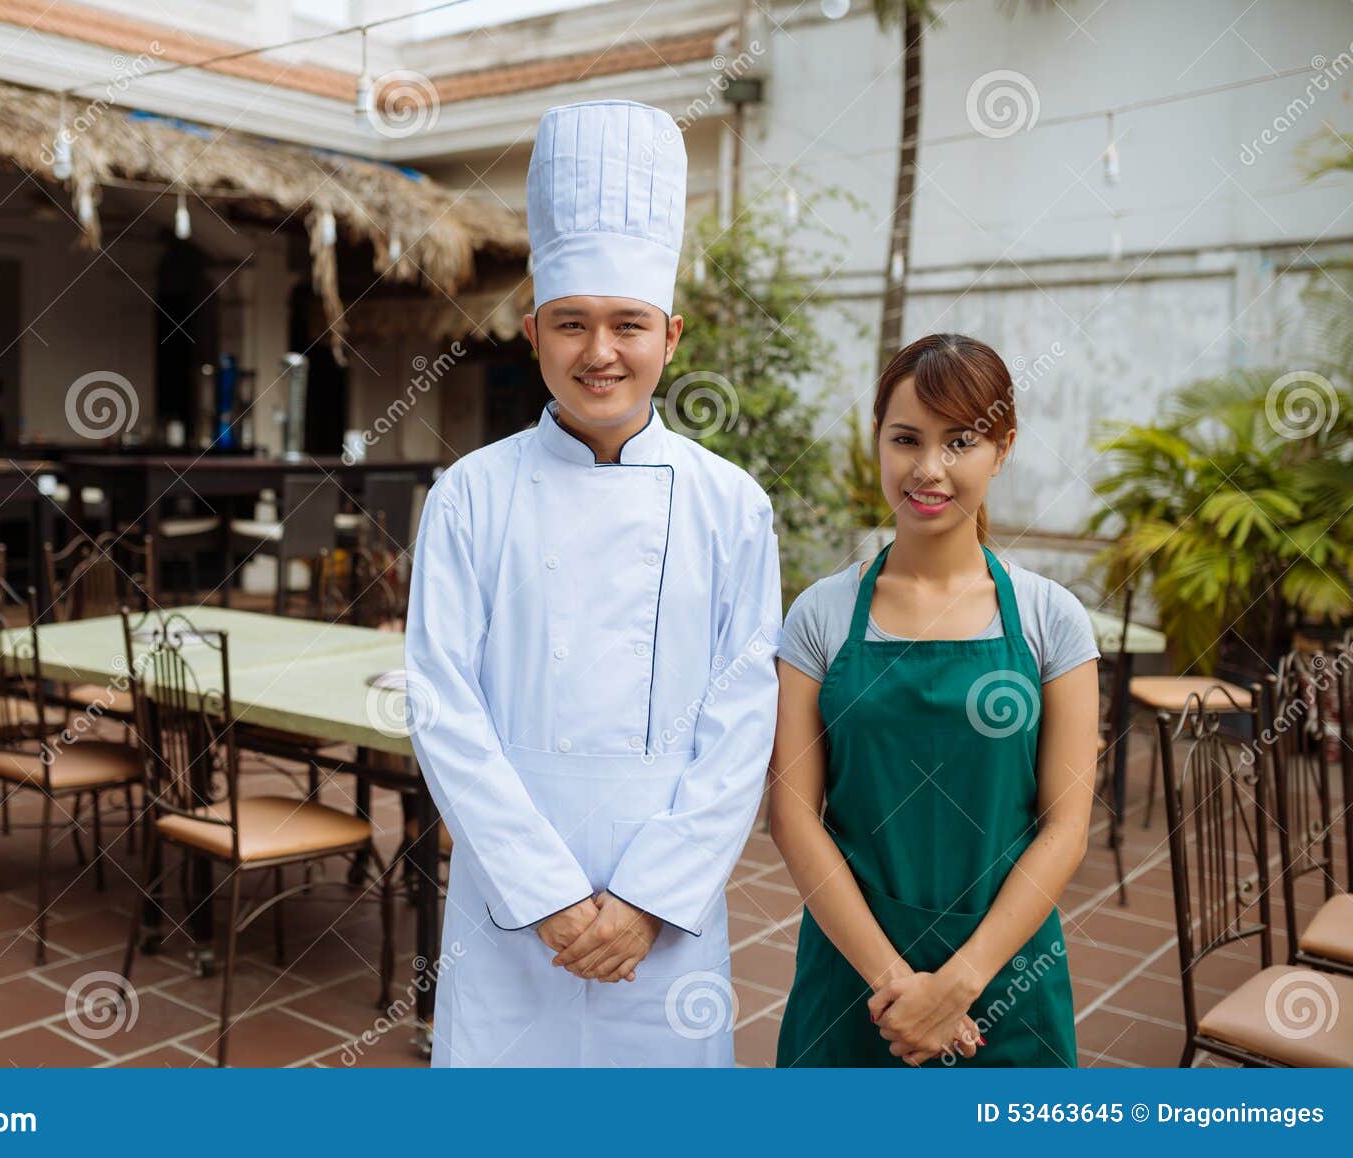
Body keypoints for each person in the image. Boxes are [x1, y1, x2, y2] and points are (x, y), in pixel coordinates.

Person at [404, 99, 781, 1068]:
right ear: (531, 333)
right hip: (511, 909)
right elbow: (444, 708)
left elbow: (742, 722)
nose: (599, 352)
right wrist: (551, 897)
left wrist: (647, 902)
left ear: (672, 335)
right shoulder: (468, 499)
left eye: (627, 324)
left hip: (667, 916)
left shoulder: (731, 507)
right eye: (571, 323)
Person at [770, 334, 1099, 1067]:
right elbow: (792, 816)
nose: (929, 469)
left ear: (1002, 448)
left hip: (1008, 979)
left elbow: (1065, 828)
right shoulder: (820, 616)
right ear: (877, 442)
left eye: (961, 442)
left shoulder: (1052, 620)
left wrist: (957, 987)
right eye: (906, 440)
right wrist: (899, 988)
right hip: (853, 978)